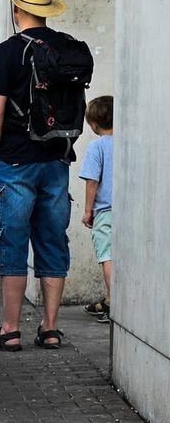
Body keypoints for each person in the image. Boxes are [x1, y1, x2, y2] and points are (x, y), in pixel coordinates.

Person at [0, 0, 87, 352]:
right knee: (52, 240)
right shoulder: (67, 49)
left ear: (16, 8)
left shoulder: (7, 52)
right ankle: (51, 328)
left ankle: (10, 330)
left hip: (16, 160)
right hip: (57, 159)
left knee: (12, 242)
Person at [79, 96, 114, 323]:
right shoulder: (130, 142)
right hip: (127, 210)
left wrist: (88, 210)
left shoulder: (97, 146)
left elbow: (92, 181)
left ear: (93, 124)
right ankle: (110, 300)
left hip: (106, 210)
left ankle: (115, 304)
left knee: (108, 256)